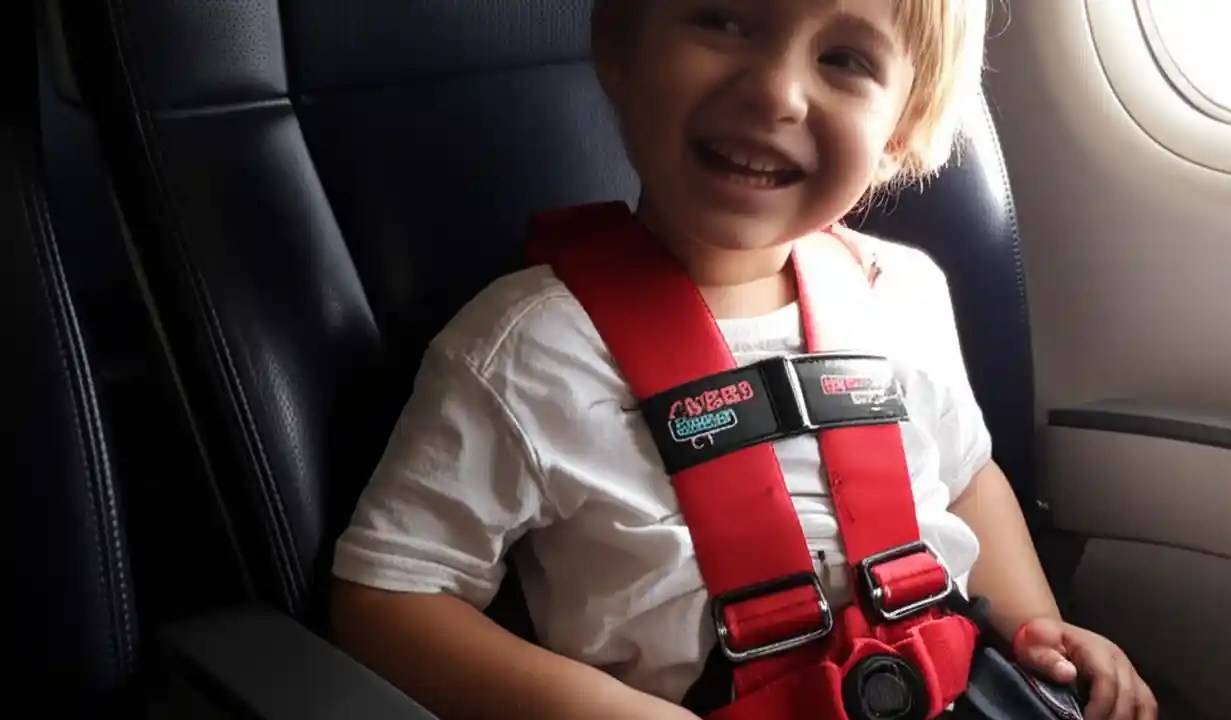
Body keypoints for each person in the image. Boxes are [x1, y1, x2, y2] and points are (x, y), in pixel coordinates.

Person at [328, 1, 1158, 719]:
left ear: (902, 129)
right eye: (724, 20)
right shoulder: (524, 348)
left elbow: (968, 480)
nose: (775, 91)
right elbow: (387, 599)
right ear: (623, 47)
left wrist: (1036, 635)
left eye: (844, 59)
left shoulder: (901, 293)